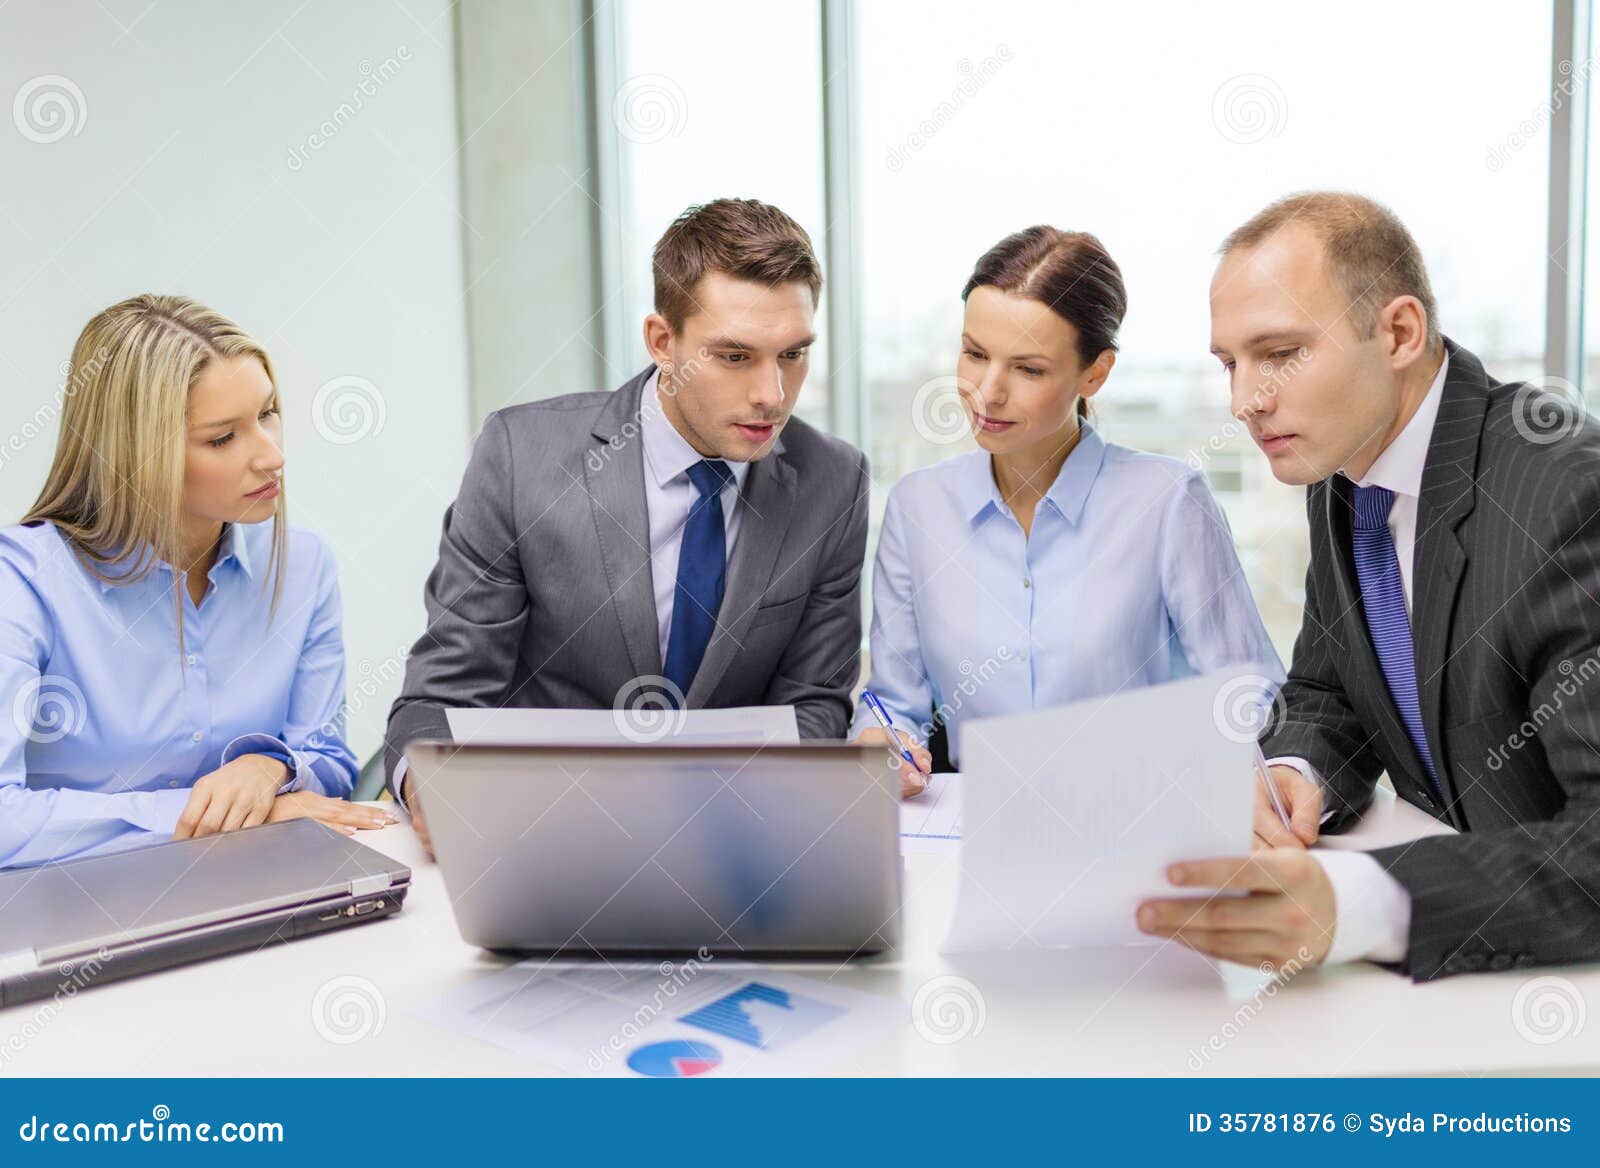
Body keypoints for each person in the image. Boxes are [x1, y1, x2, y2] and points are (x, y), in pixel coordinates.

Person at [1141, 190, 1600, 978]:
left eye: (1280, 353)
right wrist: (1294, 773)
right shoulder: (1347, 469)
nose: (1244, 401)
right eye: (1230, 363)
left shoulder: (1565, 497)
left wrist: (1355, 900)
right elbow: (1330, 686)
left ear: (1398, 333)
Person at [386, 199, 871, 854]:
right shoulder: (520, 456)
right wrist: (431, 789)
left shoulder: (831, 481)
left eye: (792, 355)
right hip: (544, 838)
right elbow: (443, 697)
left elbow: (813, 704)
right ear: (662, 341)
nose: (772, 394)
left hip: (733, 844)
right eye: (734, 357)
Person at [854, 226, 1281, 795]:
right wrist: (882, 740)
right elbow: (892, 700)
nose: (988, 390)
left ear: (1095, 374)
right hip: (972, 834)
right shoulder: (918, 508)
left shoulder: (1168, 501)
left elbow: (1247, 693)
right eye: (974, 354)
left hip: (1140, 822)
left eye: (1028, 369)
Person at [0, 294, 376, 869]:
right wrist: (219, 817)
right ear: (137, 454)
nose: (272, 456)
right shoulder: (23, 582)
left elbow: (326, 760)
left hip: (258, 889)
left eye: (268, 413)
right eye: (223, 438)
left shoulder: (304, 565)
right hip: (79, 914)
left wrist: (268, 769)